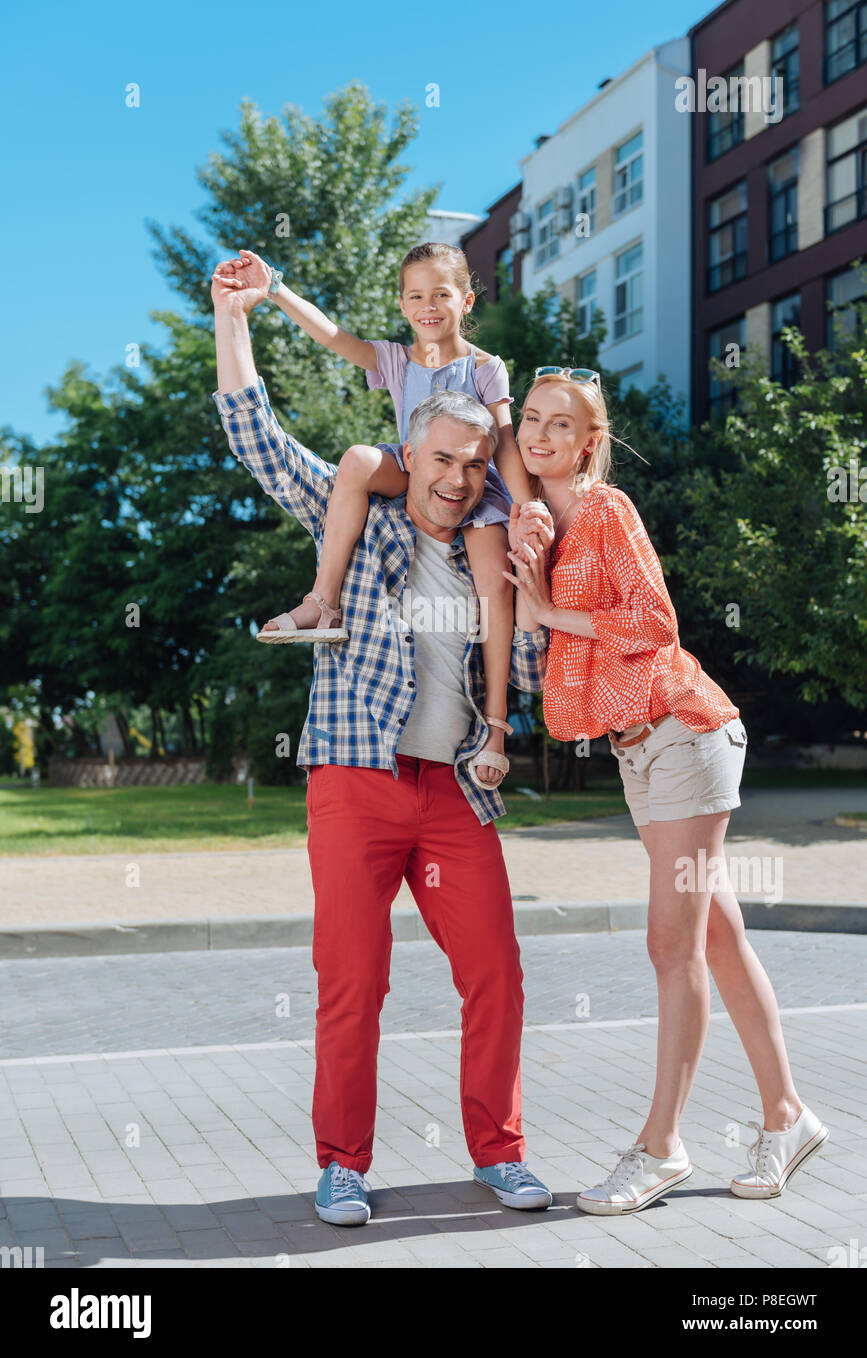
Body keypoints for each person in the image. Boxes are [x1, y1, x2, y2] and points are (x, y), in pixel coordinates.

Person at [210, 257, 554, 1226]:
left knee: (495, 970)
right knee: (352, 981)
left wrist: (532, 600)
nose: (455, 479)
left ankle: (500, 1150)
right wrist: (236, 316)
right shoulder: (358, 519)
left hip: (452, 792)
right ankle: (342, 1164)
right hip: (357, 781)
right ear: (414, 449)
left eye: (473, 466)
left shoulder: (488, 549)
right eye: (441, 460)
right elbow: (257, 437)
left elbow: (524, 680)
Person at [504, 368, 829, 1216]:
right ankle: (786, 1118)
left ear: (588, 441)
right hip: (639, 751)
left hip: (685, 730)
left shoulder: (606, 510)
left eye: (559, 424)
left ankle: (659, 1148)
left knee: (668, 945)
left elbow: (653, 624)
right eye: (529, 419)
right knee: (716, 937)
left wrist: (549, 611)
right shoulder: (541, 524)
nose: (539, 434)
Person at [212, 243, 534, 790]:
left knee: (494, 593)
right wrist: (274, 291)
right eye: (415, 296)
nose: (428, 306)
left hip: (482, 497)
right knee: (358, 461)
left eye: (441, 295)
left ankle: (496, 726)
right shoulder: (396, 362)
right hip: (411, 475)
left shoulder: (484, 366)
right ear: (403, 304)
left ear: (467, 300)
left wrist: (527, 510)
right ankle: (324, 602)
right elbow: (333, 337)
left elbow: (503, 441)